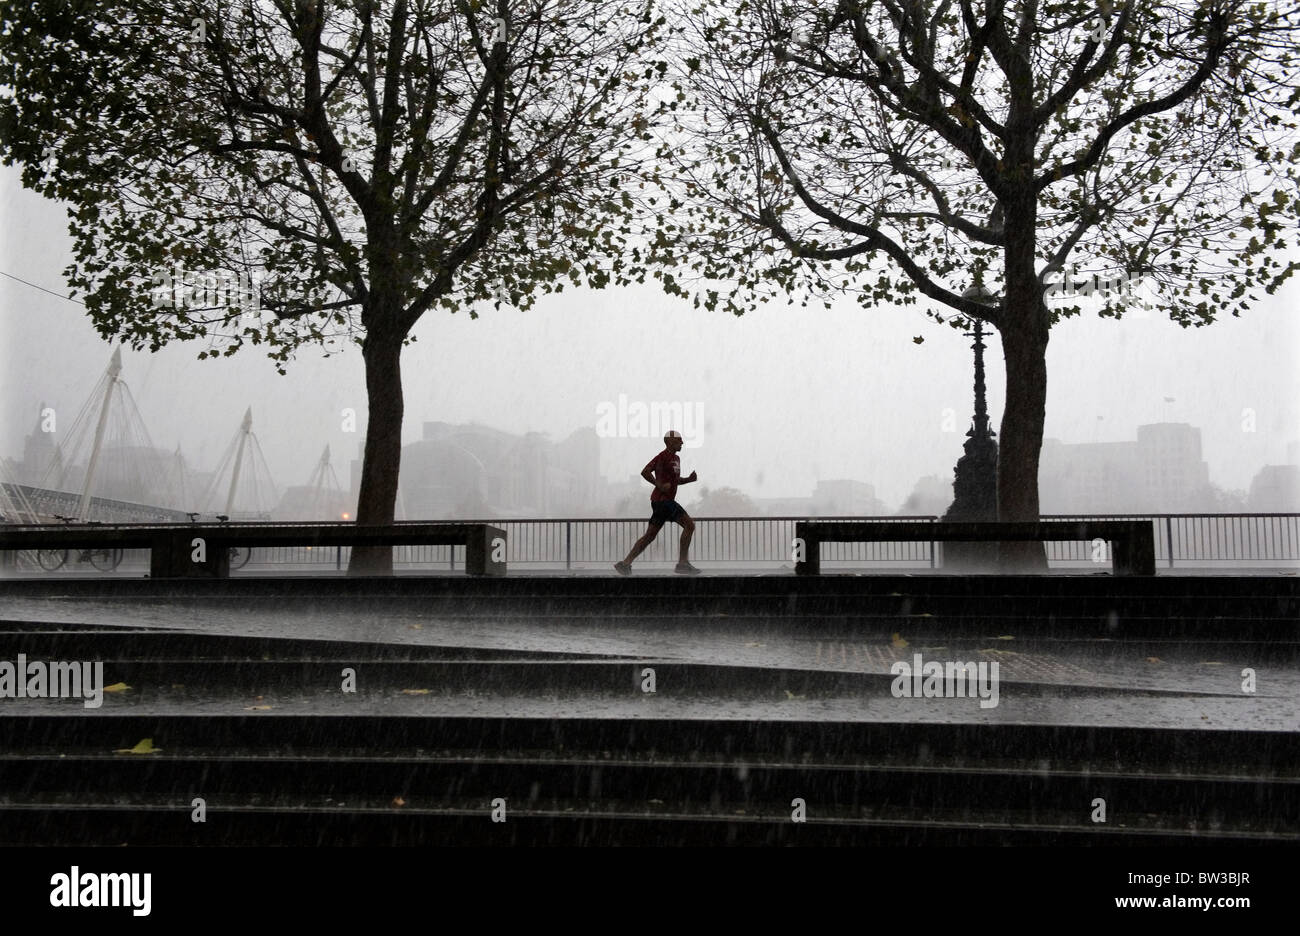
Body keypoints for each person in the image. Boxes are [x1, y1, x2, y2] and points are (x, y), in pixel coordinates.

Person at [615, 430, 700, 575]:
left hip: (662, 503)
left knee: (650, 536)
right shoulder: (662, 457)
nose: (682, 443)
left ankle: (625, 563)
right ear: (669, 442)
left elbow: (675, 481)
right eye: (679, 440)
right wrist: (658, 485)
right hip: (663, 501)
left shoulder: (676, 459)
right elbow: (645, 471)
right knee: (689, 525)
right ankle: (682, 563)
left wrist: (689, 480)